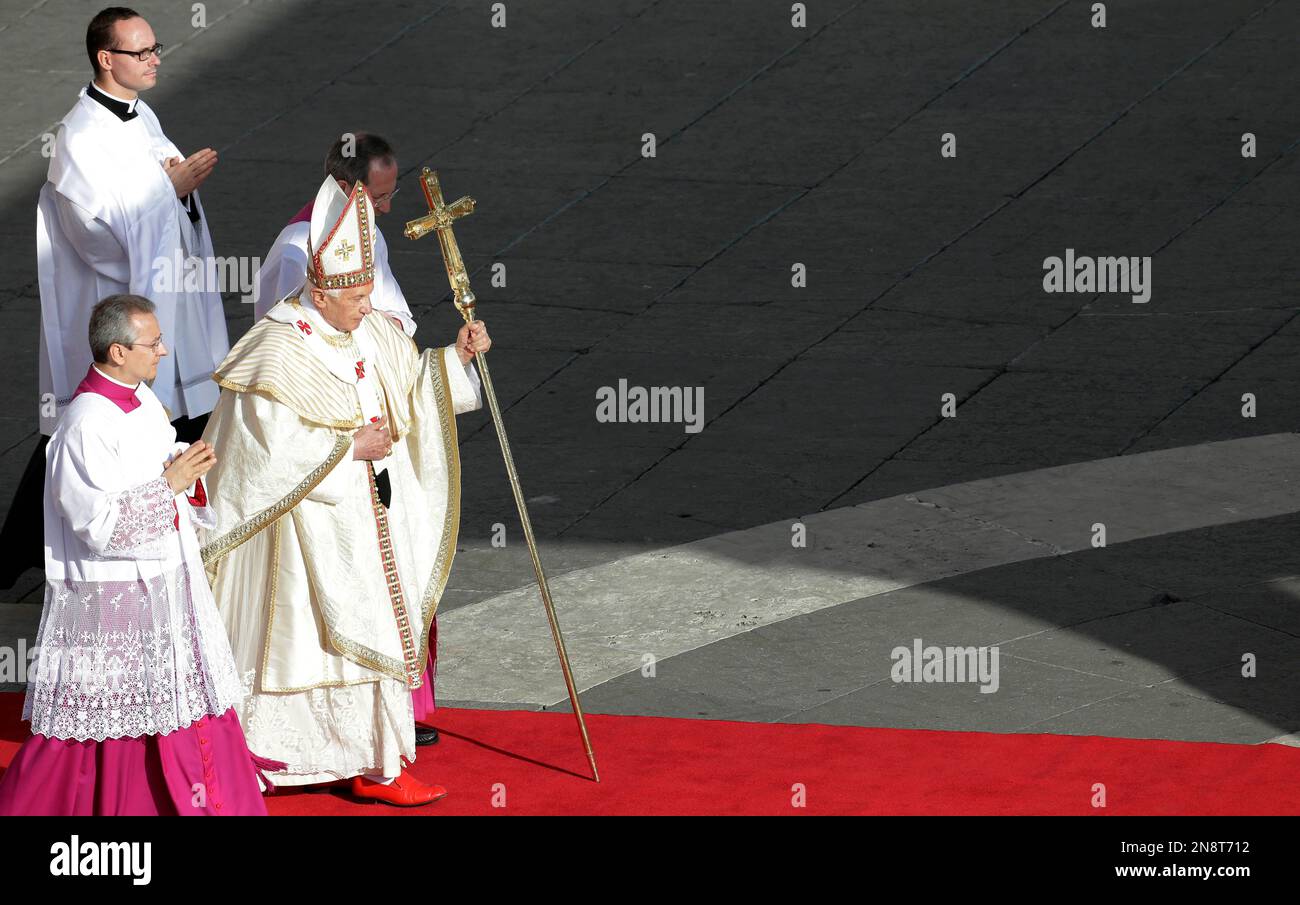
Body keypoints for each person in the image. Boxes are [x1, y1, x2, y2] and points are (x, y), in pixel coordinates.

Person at [200, 176, 489, 806]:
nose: (367, 304)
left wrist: (454, 361)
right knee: (298, 645)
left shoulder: (373, 330)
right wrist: (344, 449)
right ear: (321, 290)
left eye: (368, 291)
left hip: (370, 517)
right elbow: (256, 454)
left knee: (377, 632)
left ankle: (376, 762)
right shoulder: (275, 350)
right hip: (298, 535)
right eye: (356, 294)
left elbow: (412, 388)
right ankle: (268, 759)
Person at [0, 295, 271, 816]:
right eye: (153, 343)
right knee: (97, 718)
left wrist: (184, 470)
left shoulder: (141, 397)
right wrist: (170, 483)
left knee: (179, 696)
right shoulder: (84, 424)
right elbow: (97, 525)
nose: (164, 351)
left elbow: (161, 458)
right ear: (119, 351)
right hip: (115, 598)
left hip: (168, 581)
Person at [1, 7, 230, 587]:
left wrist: (177, 194)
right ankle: (18, 555)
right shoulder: (78, 138)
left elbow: (156, 199)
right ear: (107, 58)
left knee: (181, 418)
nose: (156, 59)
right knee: (90, 433)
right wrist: (165, 192)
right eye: (142, 51)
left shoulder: (141, 116)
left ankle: (186, 537)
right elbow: (93, 238)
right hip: (114, 308)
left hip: (167, 300)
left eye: (156, 48)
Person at [253, 133, 440, 745]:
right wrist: (344, 446)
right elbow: (279, 399)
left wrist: (451, 366)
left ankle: (388, 727)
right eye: (379, 197)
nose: (387, 210)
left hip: (372, 454)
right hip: (320, 486)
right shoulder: (294, 256)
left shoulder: (361, 237)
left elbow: (392, 325)